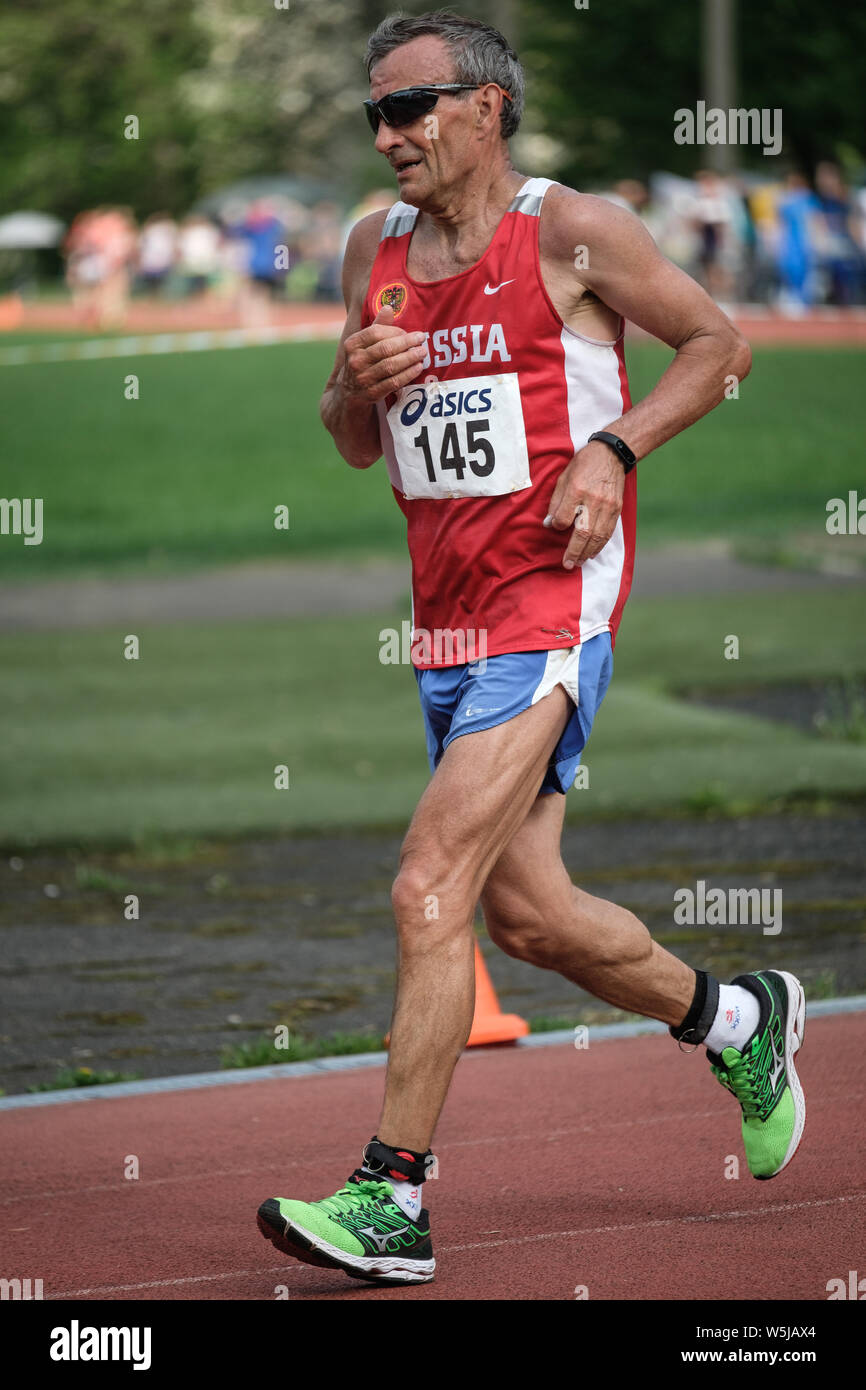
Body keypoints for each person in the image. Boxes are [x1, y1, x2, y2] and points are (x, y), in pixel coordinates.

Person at [257, 10, 805, 1287]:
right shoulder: (370, 249)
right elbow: (349, 439)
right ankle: (739, 1019)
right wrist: (355, 383)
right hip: (441, 617)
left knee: (427, 879)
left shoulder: (573, 230)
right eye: (373, 116)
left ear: (487, 107)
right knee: (529, 915)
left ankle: (391, 1199)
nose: (388, 135)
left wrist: (613, 451)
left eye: (410, 109)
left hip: (550, 601)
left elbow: (720, 347)